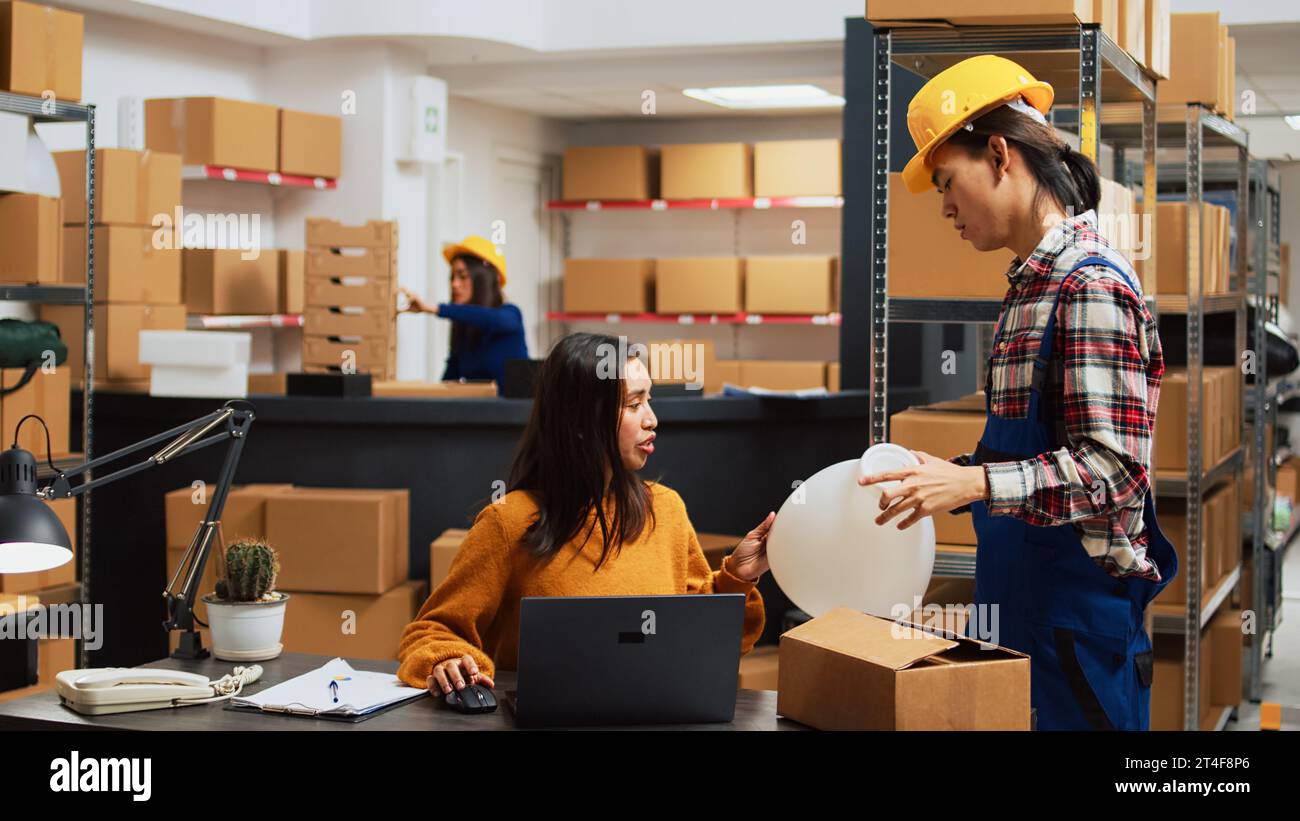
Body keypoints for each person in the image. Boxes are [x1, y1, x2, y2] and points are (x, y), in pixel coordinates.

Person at [860, 55, 1177, 730]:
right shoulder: (1029, 289)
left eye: (948, 181)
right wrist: (945, 475)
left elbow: (1113, 470)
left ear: (999, 154)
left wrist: (975, 488)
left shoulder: (1089, 286)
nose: (944, 206)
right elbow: (1038, 455)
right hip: (1018, 617)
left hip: (1074, 639)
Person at [396, 331, 774, 696]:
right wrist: (448, 659)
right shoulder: (509, 522)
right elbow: (432, 630)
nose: (652, 419)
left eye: (650, 400)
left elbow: (697, 631)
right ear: (580, 421)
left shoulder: (666, 509)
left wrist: (736, 578)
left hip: (656, 717)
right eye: (634, 404)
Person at [399, 235, 528, 388]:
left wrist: (436, 308)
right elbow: (449, 379)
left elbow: (489, 319)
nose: (454, 284)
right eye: (452, 277)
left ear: (484, 280)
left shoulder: (510, 315)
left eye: (463, 276)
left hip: (514, 411)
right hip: (478, 410)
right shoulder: (464, 328)